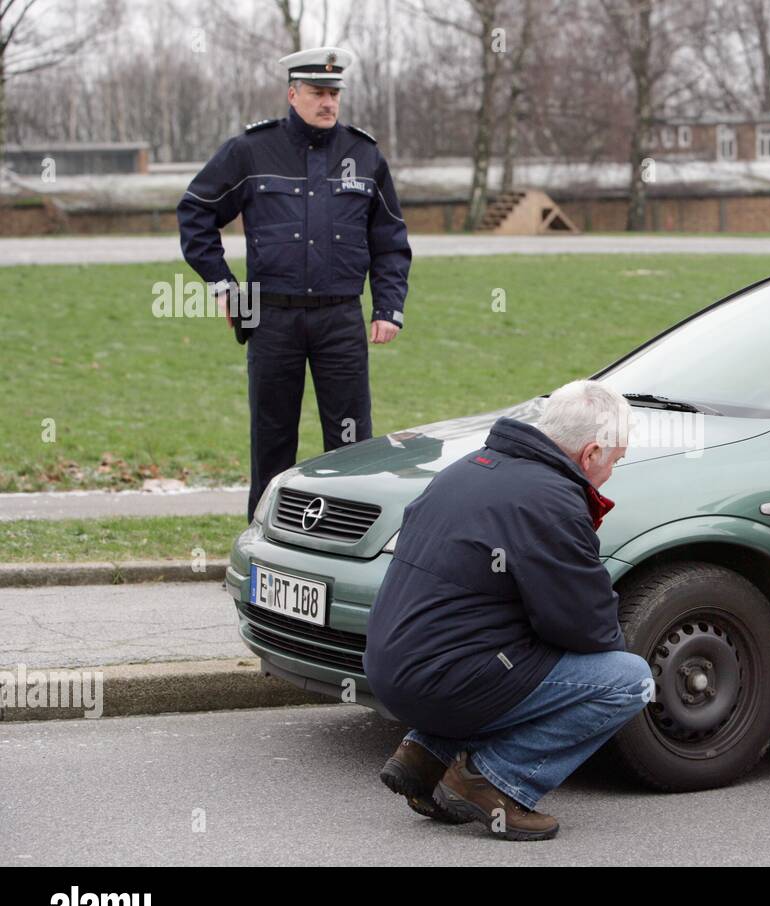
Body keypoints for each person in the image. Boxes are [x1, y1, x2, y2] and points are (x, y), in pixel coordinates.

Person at [363, 380, 652, 841]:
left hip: (389, 667)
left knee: (508, 649)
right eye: (616, 461)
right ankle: (495, 781)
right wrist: (604, 673)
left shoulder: (469, 468)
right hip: (441, 681)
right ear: (592, 453)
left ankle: (426, 754)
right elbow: (587, 626)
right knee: (627, 680)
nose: (613, 472)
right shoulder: (551, 500)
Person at [176, 46, 411, 521]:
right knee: (272, 437)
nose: (328, 103)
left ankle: (344, 540)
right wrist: (223, 287)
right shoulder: (250, 151)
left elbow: (390, 240)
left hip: (341, 319)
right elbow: (195, 213)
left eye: (334, 94)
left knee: (350, 441)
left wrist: (388, 307)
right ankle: (265, 539)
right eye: (317, 93)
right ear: (292, 94)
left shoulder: (363, 155)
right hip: (272, 318)